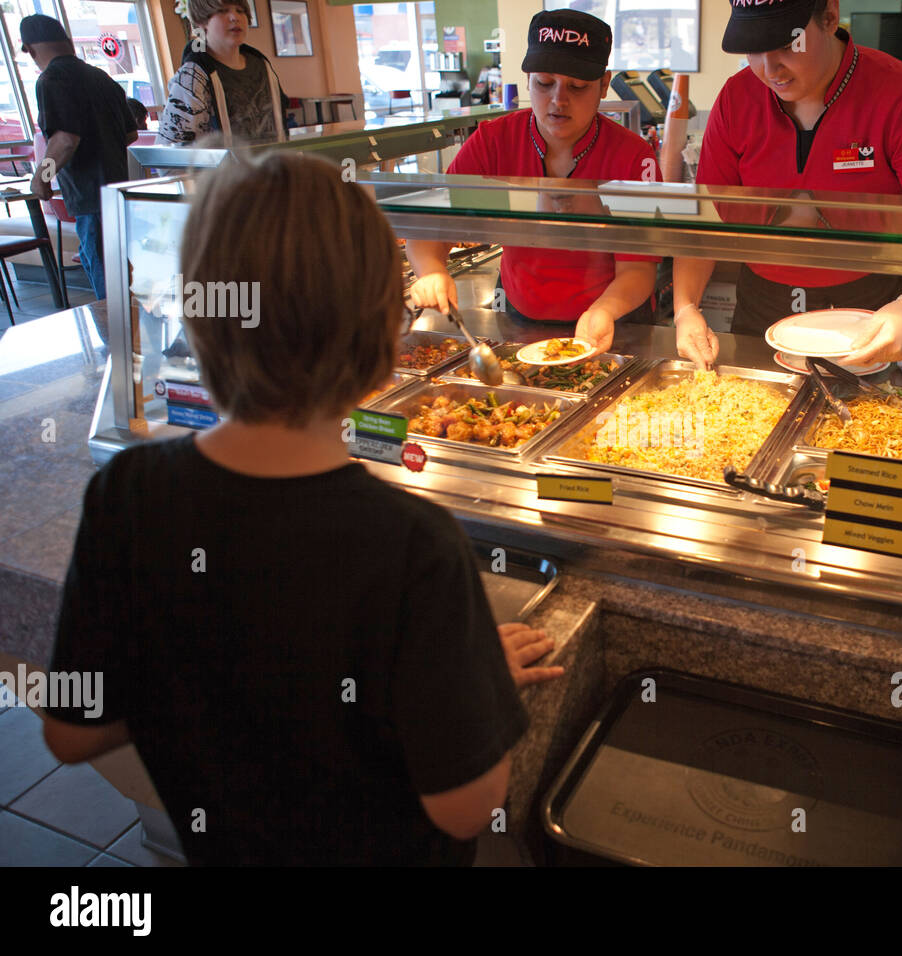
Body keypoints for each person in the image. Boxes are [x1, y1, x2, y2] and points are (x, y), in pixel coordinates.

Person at [41, 152, 562, 866]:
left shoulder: (125, 494)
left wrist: (208, 689)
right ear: (387, 345)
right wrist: (470, 681)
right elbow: (468, 807)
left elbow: (72, 733)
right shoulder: (415, 543)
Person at [673, 0, 902, 370]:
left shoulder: (900, 95)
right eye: (754, 48)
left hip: (869, 310)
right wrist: (685, 307)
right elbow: (704, 224)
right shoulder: (736, 99)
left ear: (829, 17)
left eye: (785, 45)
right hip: (760, 303)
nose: (768, 68)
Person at [406, 9, 660, 354]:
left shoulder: (634, 155)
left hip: (615, 317)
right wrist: (431, 270)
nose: (558, 99)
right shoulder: (493, 141)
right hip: (520, 317)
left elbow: (638, 268)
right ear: (527, 79)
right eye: (544, 83)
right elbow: (429, 227)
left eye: (577, 86)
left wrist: (604, 310)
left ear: (603, 85)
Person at [21, 14, 138, 302]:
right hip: (119, 192)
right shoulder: (101, 77)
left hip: (90, 197)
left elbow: (64, 140)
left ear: (31, 50)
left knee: (108, 288)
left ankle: (118, 342)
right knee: (125, 279)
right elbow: (130, 134)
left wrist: (41, 177)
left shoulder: (51, 80)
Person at [159, 0, 289, 145]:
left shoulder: (261, 65)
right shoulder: (193, 75)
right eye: (222, 11)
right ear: (201, 21)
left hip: (267, 165)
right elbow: (172, 148)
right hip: (221, 167)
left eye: (240, 11)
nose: (234, 17)